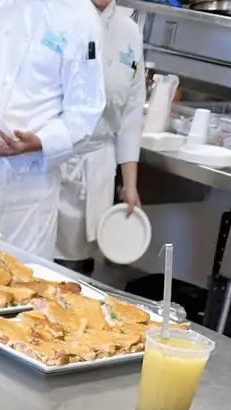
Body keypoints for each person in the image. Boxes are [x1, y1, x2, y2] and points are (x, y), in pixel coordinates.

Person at [0, 0, 106, 257]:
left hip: (29, 190)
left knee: (22, 284)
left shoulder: (81, 18)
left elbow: (85, 110)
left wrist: (40, 142)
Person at [55, 0, 145, 271]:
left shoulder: (129, 31)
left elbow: (131, 113)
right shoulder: (58, 17)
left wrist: (130, 184)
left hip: (97, 166)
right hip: (53, 163)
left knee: (77, 269)